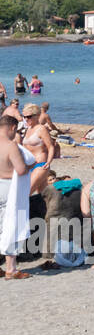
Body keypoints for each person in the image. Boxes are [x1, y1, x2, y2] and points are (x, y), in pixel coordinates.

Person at [0, 114, 37, 280]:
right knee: (12, 225)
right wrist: (31, 164)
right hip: (9, 188)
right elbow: (21, 170)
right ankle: (11, 269)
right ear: (13, 127)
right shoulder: (10, 146)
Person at [20, 104, 56, 193]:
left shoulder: (41, 129)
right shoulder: (28, 129)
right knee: (42, 195)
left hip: (40, 165)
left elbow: (50, 146)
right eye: (24, 117)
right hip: (28, 166)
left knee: (25, 192)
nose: (26, 119)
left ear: (37, 116)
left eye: (29, 117)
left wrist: (49, 162)